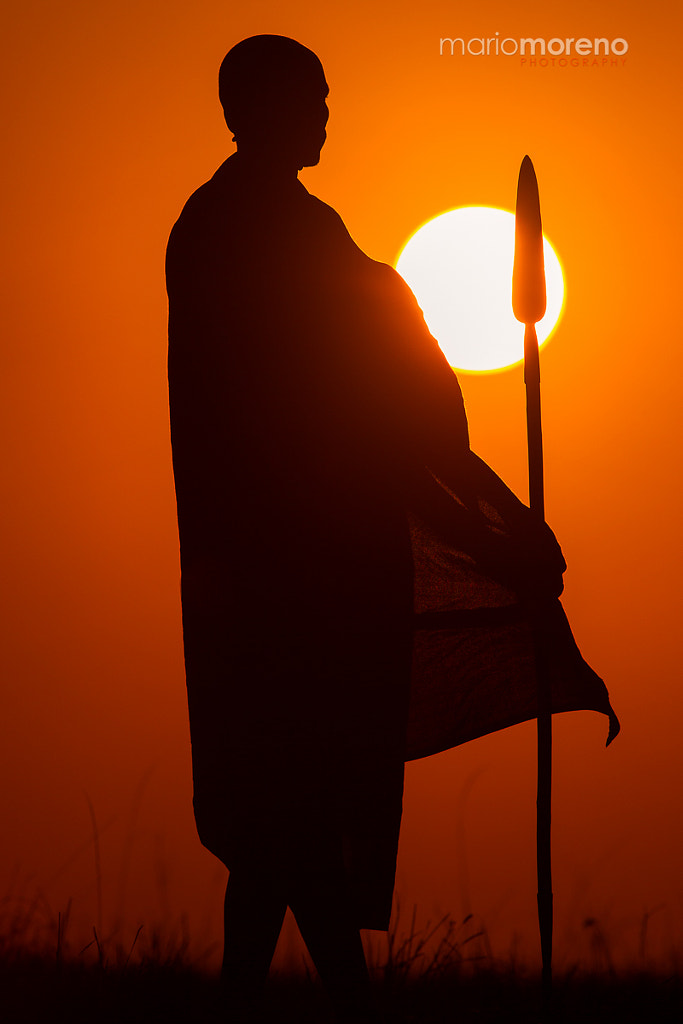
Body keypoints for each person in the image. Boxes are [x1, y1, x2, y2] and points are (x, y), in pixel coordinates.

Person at [166, 34, 573, 1022]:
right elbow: (365, 411)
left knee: (282, 811)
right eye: (311, 95)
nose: (325, 111)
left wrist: (497, 523)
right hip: (280, 575)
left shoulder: (288, 228)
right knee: (286, 802)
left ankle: (260, 1000)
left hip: (302, 569)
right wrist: (497, 529)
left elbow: (383, 386)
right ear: (255, 107)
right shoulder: (236, 234)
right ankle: (343, 998)